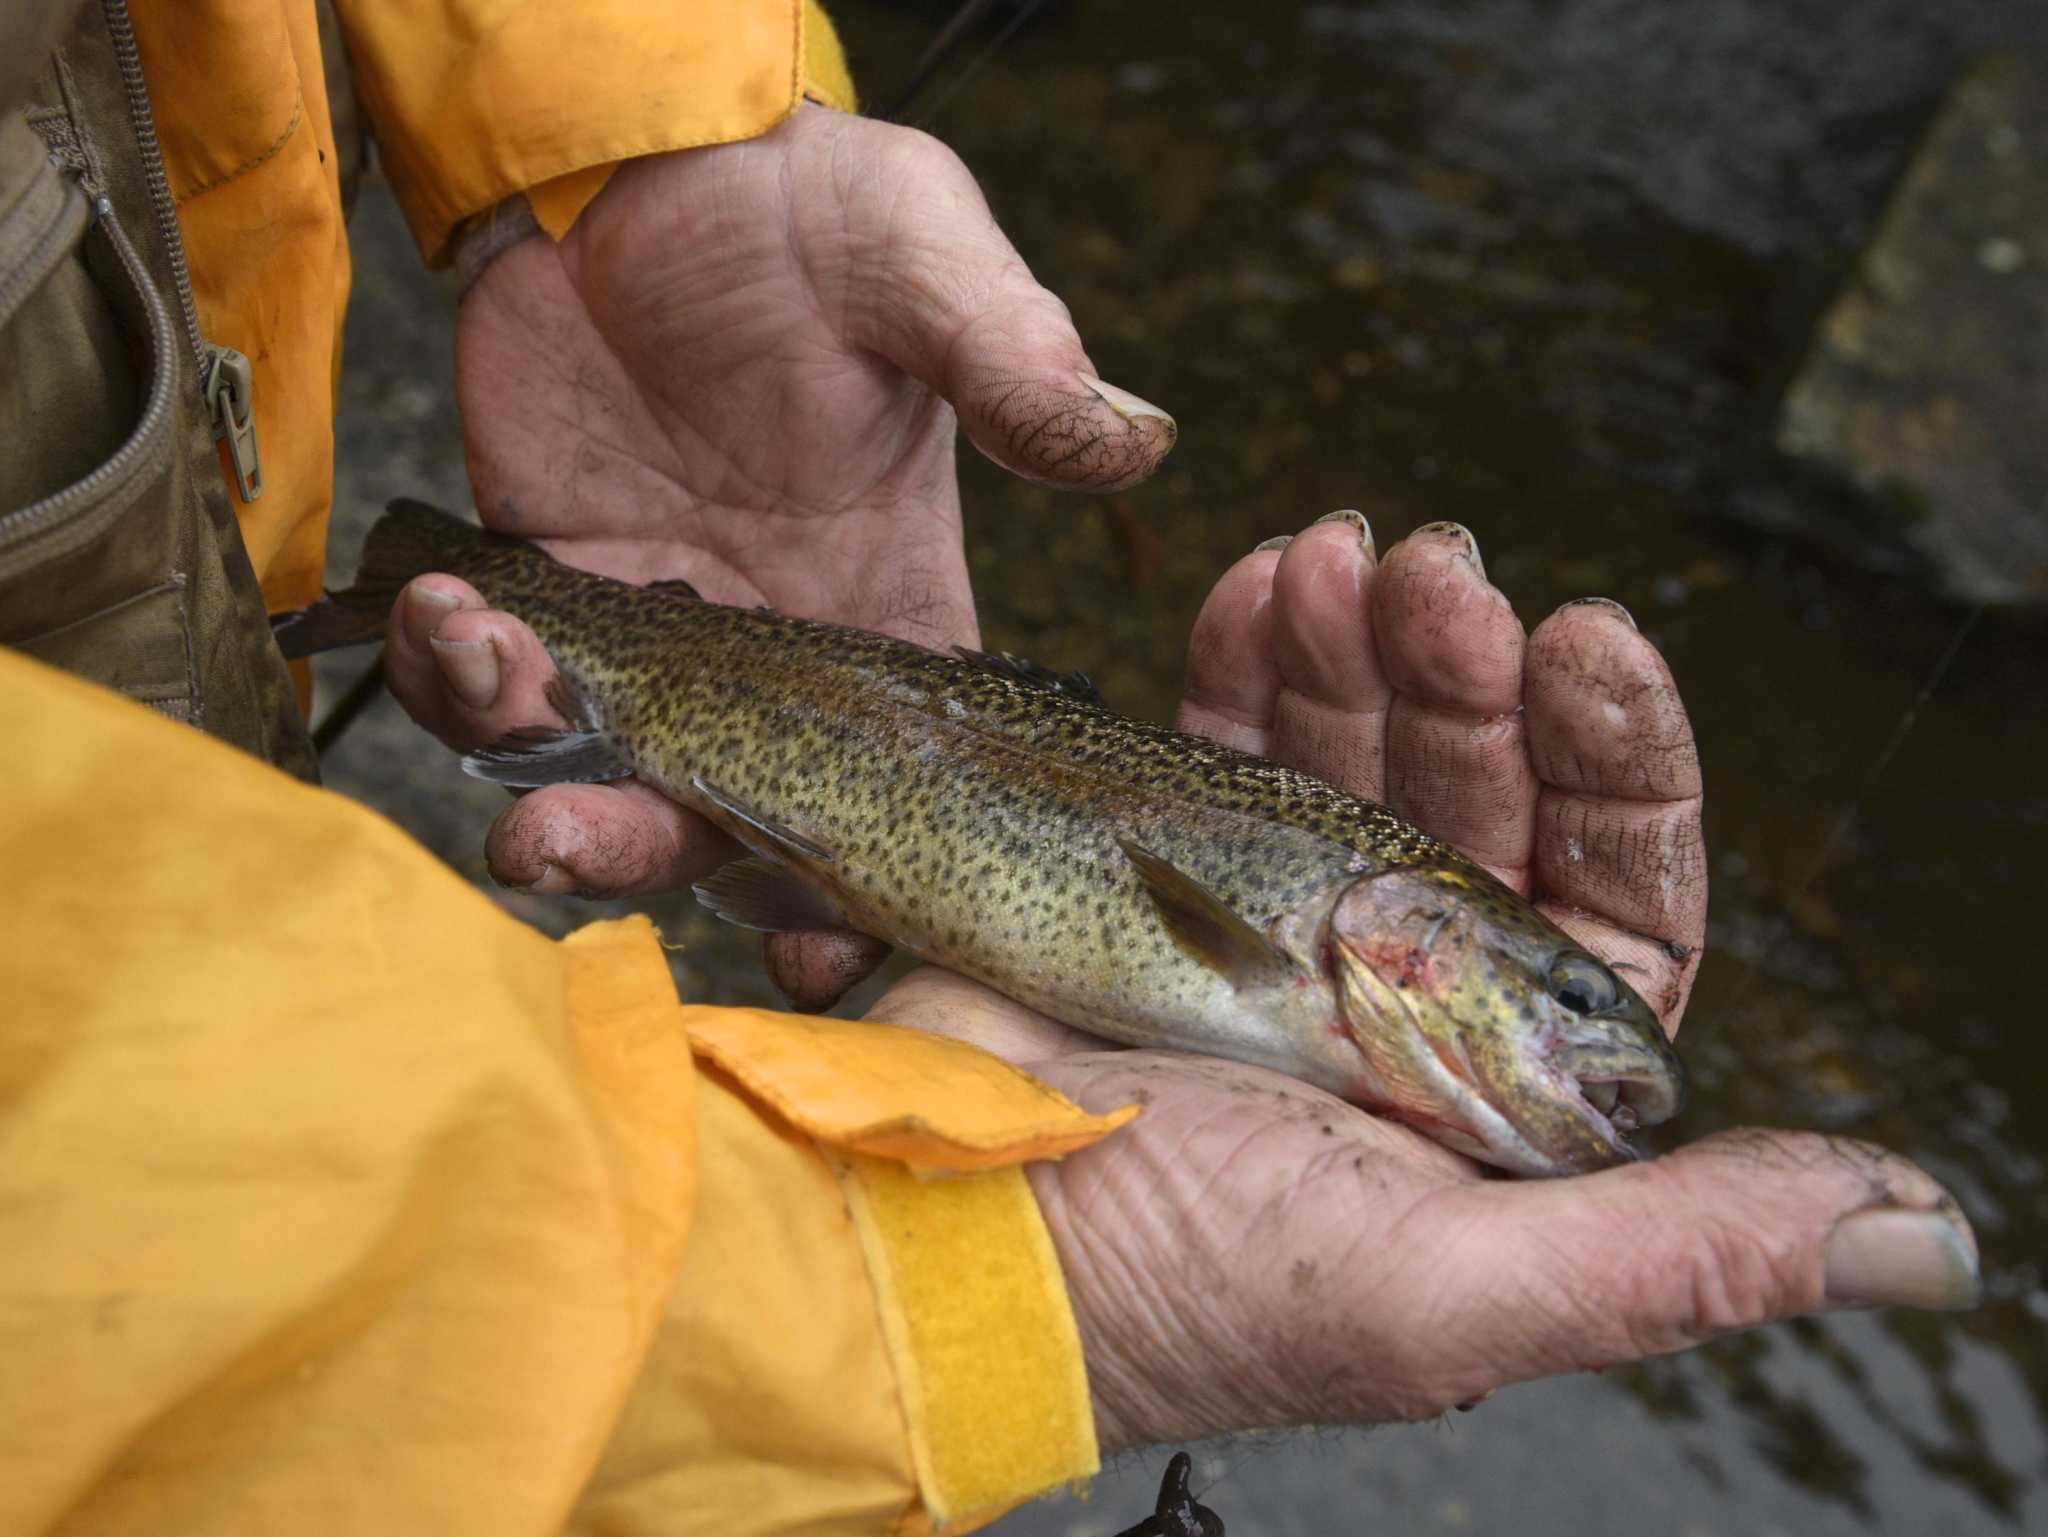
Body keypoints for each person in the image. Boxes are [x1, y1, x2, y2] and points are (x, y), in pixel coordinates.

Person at [0, 3, 1979, 1534]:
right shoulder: (1306, 937)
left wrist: (625, 135)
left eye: (1559, 1011)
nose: (1582, 1030)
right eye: (1550, 995)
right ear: (1409, 929)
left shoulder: (1341, 963)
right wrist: (862, 1297)